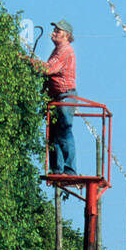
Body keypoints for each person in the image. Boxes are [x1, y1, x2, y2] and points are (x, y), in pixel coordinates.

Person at [32, 19, 77, 176]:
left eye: (57, 31)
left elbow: (49, 68)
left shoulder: (65, 50)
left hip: (65, 96)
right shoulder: (57, 50)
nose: (53, 33)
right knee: (54, 134)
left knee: (64, 131)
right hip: (57, 97)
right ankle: (58, 169)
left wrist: (30, 63)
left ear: (66, 35)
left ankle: (69, 170)